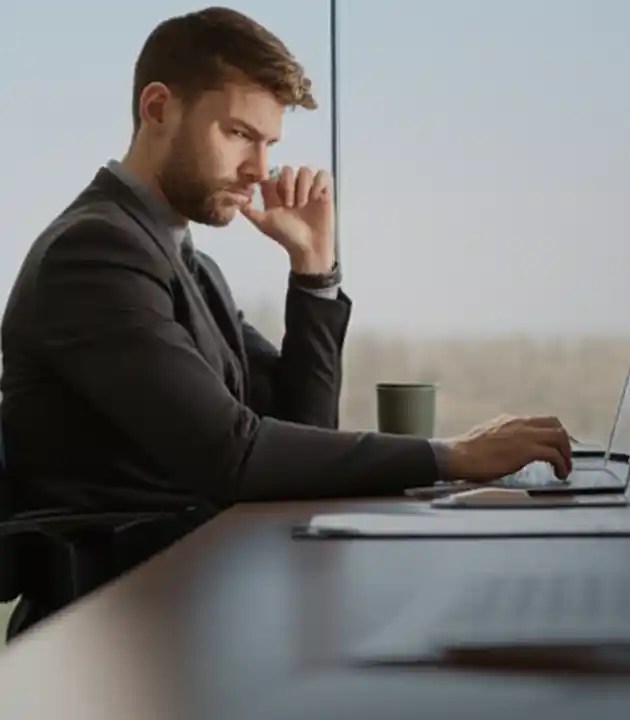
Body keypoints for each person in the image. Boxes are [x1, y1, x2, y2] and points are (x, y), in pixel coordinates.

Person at [0, 6, 573, 634]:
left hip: (191, 595)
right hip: (110, 629)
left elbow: (298, 430)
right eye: (239, 134)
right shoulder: (95, 254)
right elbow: (234, 455)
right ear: (158, 108)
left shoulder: (184, 263)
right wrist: (452, 455)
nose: (260, 169)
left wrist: (313, 267)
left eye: (270, 144)